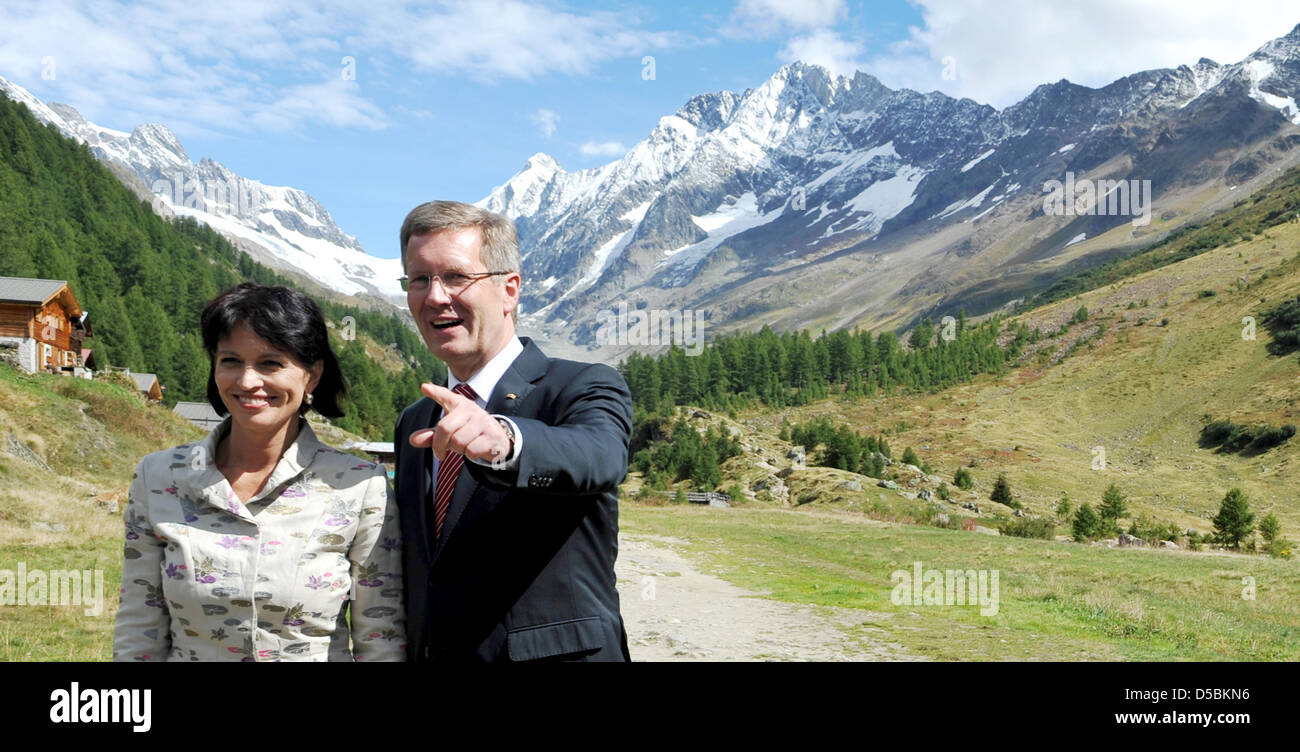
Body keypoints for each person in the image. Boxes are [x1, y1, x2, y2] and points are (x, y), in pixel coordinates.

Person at [113, 283, 405, 662]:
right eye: (231, 360)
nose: (248, 381)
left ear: (311, 375)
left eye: (270, 363)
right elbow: (139, 628)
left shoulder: (359, 485)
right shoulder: (159, 477)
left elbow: (380, 639)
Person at [393, 200, 633, 661]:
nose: (435, 296)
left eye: (457, 277)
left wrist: (505, 440)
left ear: (509, 291)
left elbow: (600, 456)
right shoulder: (415, 420)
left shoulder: (581, 386)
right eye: (420, 279)